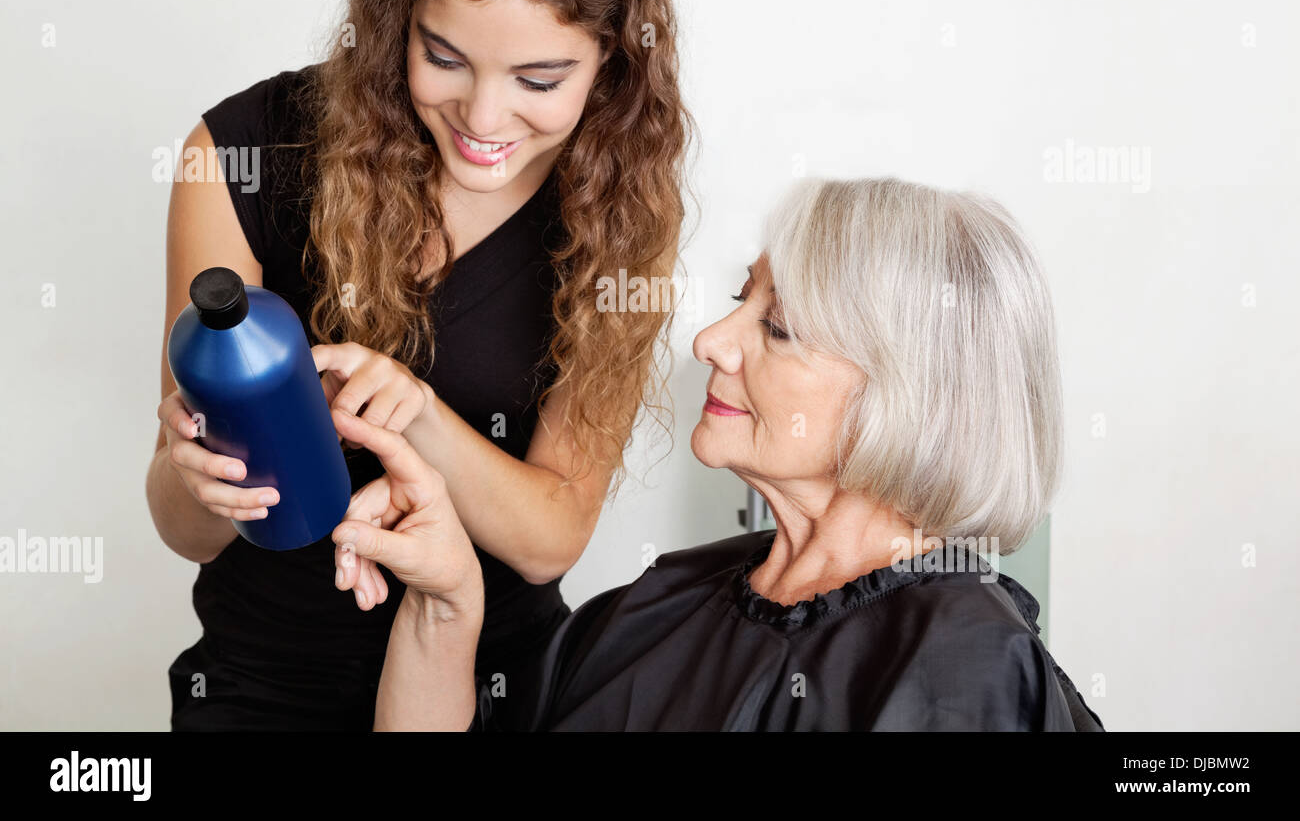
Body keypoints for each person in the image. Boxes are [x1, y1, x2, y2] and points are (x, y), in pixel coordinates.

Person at [146, 0, 694, 730]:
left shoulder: (619, 211)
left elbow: (551, 536)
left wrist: (417, 417)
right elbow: (187, 530)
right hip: (261, 685)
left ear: (615, 57)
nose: (484, 115)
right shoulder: (239, 155)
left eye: (540, 81)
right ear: (399, 11)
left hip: (499, 685)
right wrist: (193, 477)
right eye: (443, 57)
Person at [328, 176, 1105, 731]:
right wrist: (445, 599)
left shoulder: (964, 668)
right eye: (744, 299)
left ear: (910, 393)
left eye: (779, 326)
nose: (710, 342)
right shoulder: (666, 600)